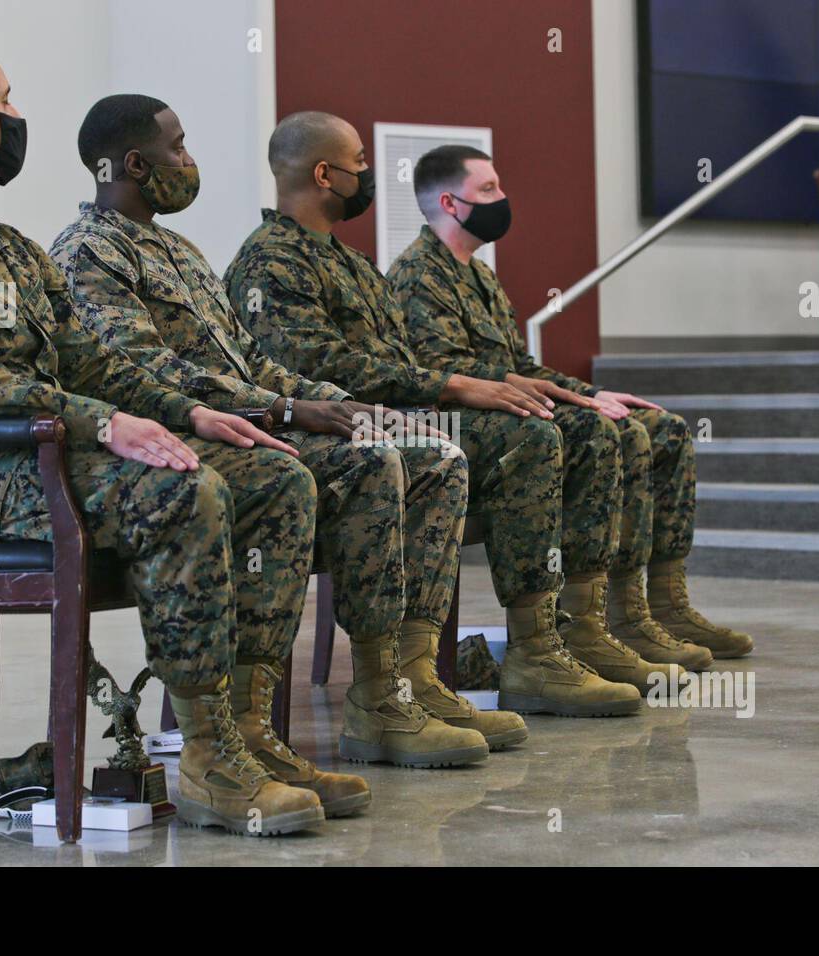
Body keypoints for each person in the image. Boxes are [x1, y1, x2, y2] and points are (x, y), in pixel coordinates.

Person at [0, 40, 325, 836]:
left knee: (274, 479)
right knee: (180, 489)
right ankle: (207, 762)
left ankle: (248, 734)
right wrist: (101, 421)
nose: (19, 116)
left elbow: (95, 360)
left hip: (44, 453)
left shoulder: (14, 250)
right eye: (8, 98)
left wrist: (185, 412)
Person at [51, 94, 521, 772]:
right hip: (194, 433)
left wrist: (339, 404)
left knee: (434, 457)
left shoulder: (176, 249)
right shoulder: (88, 252)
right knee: (366, 464)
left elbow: (249, 359)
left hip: (250, 417)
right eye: (178, 148)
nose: (190, 161)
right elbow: (147, 373)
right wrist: (291, 412)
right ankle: (281, 723)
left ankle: (399, 682)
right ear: (134, 164)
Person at [225, 111, 646, 719]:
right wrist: (452, 386)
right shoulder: (272, 261)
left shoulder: (349, 262)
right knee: (525, 436)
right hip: (341, 430)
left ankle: (553, 641)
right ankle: (525, 655)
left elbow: (398, 359)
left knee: (561, 426)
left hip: (404, 419)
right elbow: (317, 365)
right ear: (324, 174)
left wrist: (460, 387)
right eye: (360, 162)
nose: (368, 173)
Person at [389, 145, 752, 665]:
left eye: (500, 186)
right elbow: (448, 372)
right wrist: (568, 402)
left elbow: (519, 362)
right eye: (488, 190)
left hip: (513, 404)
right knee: (602, 433)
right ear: (449, 203)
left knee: (659, 428)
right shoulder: (418, 274)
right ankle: (583, 628)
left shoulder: (479, 274)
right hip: (465, 419)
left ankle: (654, 609)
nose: (502, 198)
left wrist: (587, 393)